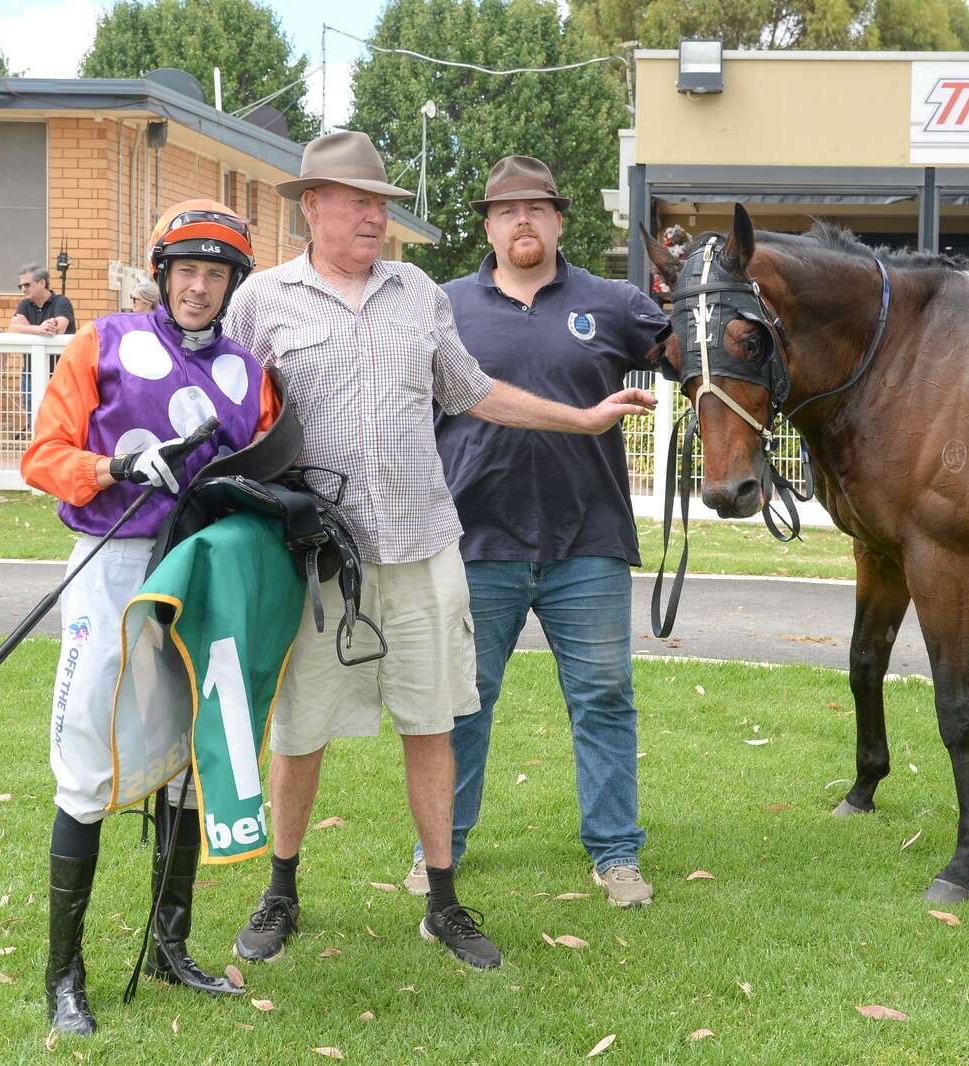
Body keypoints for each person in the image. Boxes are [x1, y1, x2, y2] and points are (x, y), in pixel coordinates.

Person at [225, 131, 655, 973]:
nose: (374, 219)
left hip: (425, 545)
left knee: (436, 720)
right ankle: (280, 890)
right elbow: (236, 412)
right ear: (312, 205)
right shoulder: (263, 301)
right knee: (299, 729)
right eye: (358, 204)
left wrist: (583, 418)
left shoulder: (417, 292)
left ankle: (445, 902)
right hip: (319, 558)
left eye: (382, 206)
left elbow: (474, 391)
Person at [19, 199, 276, 1036]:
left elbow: (272, 462)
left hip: (205, 573)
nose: (198, 288)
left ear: (233, 284)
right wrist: (111, 462)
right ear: (161, 275)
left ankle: (171, 944)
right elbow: (42, 456)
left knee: (193, 756)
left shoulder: (251, 372)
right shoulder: (103, 341)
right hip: (115, 567)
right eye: (186, 272)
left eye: (215, 274)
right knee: (90, 759)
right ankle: (65, 977)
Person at [401, 155, 665, 908]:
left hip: (590, 541)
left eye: (537, 208)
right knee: (463, 702)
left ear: (558, 219)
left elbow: (692, 352)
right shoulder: (443, 306)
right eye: (507, 209)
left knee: (604, 698)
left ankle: (616, 857)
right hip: (477, 541)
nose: (523, 220)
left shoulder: (610, 302)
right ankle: (439, 850)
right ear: (487, 224)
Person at [11, 263, 75, 335]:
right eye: (20, 286)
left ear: (42, 283)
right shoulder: (25, 304)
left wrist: (26, 328)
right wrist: (38, 329)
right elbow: (13, 328)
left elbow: (58, 330)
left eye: (26, 285)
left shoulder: (61, 301)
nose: (23, 289)